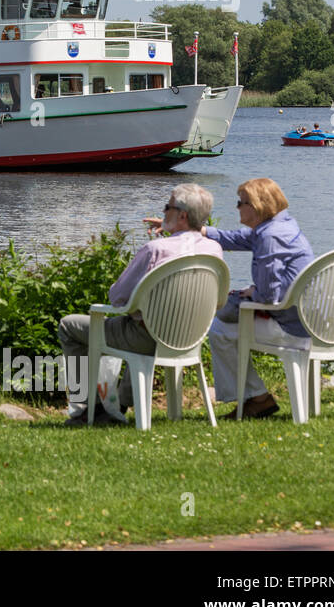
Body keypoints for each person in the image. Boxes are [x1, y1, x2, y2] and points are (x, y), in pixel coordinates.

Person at [57, 184, 223, 426]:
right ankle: (118, 405)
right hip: (190, 338)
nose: (164, 211)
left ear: (183, 216)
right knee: (136, 327)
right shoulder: (213, 250)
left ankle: (88, 407)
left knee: (69, 326)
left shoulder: (155, 249)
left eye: (168, 207)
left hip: (147, 337)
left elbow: (117, 298)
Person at [202, 178, 315, 419]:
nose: (237, 207)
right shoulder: (282, 225)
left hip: (292, 328)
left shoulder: (269, 237)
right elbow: (234, 238)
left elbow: (269, 297)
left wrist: (252, 293)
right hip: (309, 319)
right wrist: (195, 229)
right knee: (225, 323)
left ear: (256, 205)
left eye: (241, 202)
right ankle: (256, 397)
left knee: (219, 330)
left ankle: (257, 398)